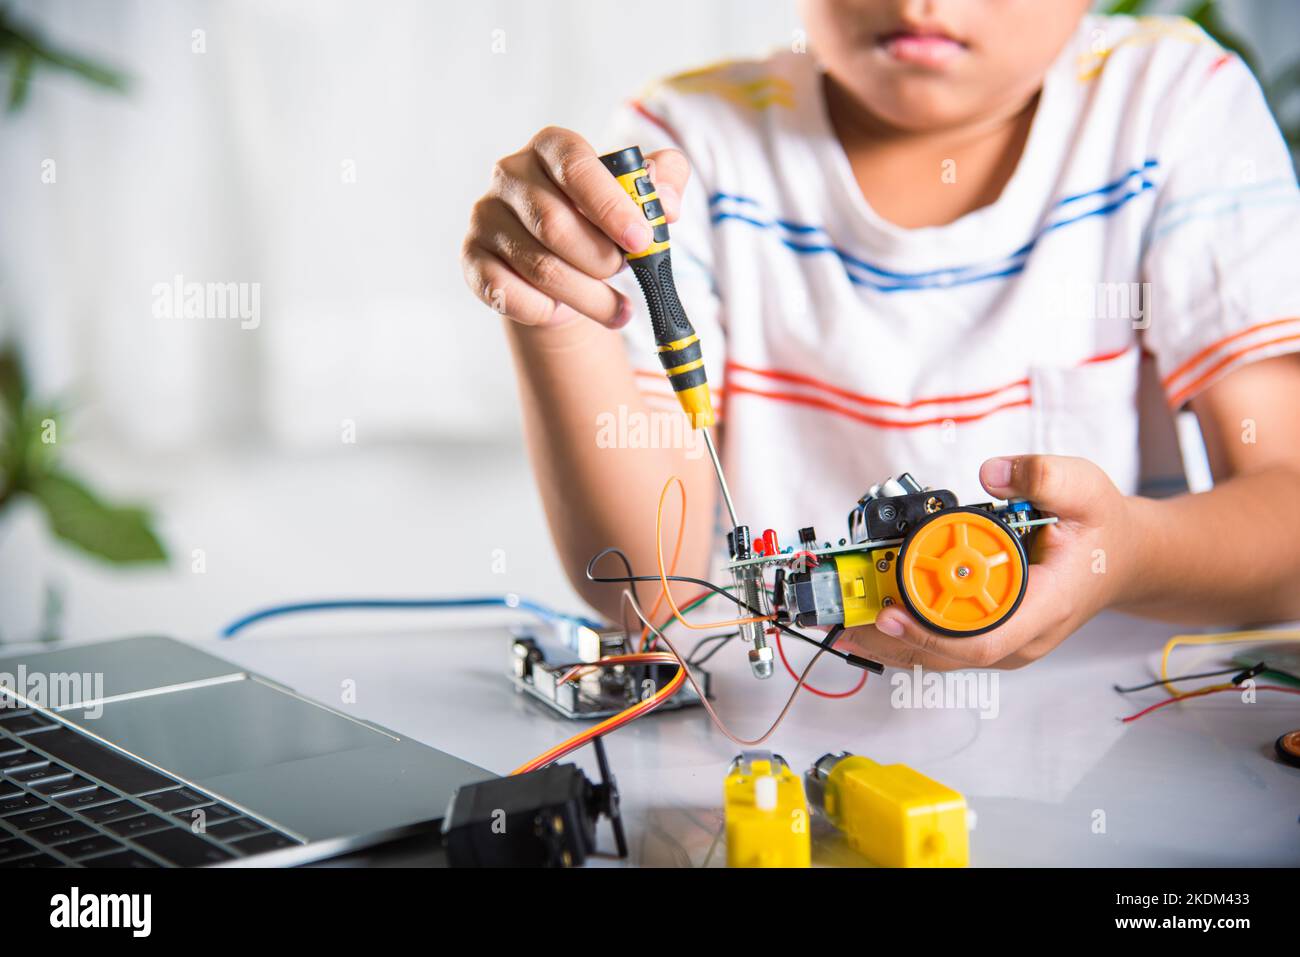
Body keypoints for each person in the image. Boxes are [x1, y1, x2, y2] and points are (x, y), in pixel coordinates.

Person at [461, 1, 1300, 670]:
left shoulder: (1174, 106)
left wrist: (1133, 555)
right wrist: (555, 308)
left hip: (1120, 752)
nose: (919, 3)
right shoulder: (694, 141)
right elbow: (646, 584)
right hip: (788, 748)